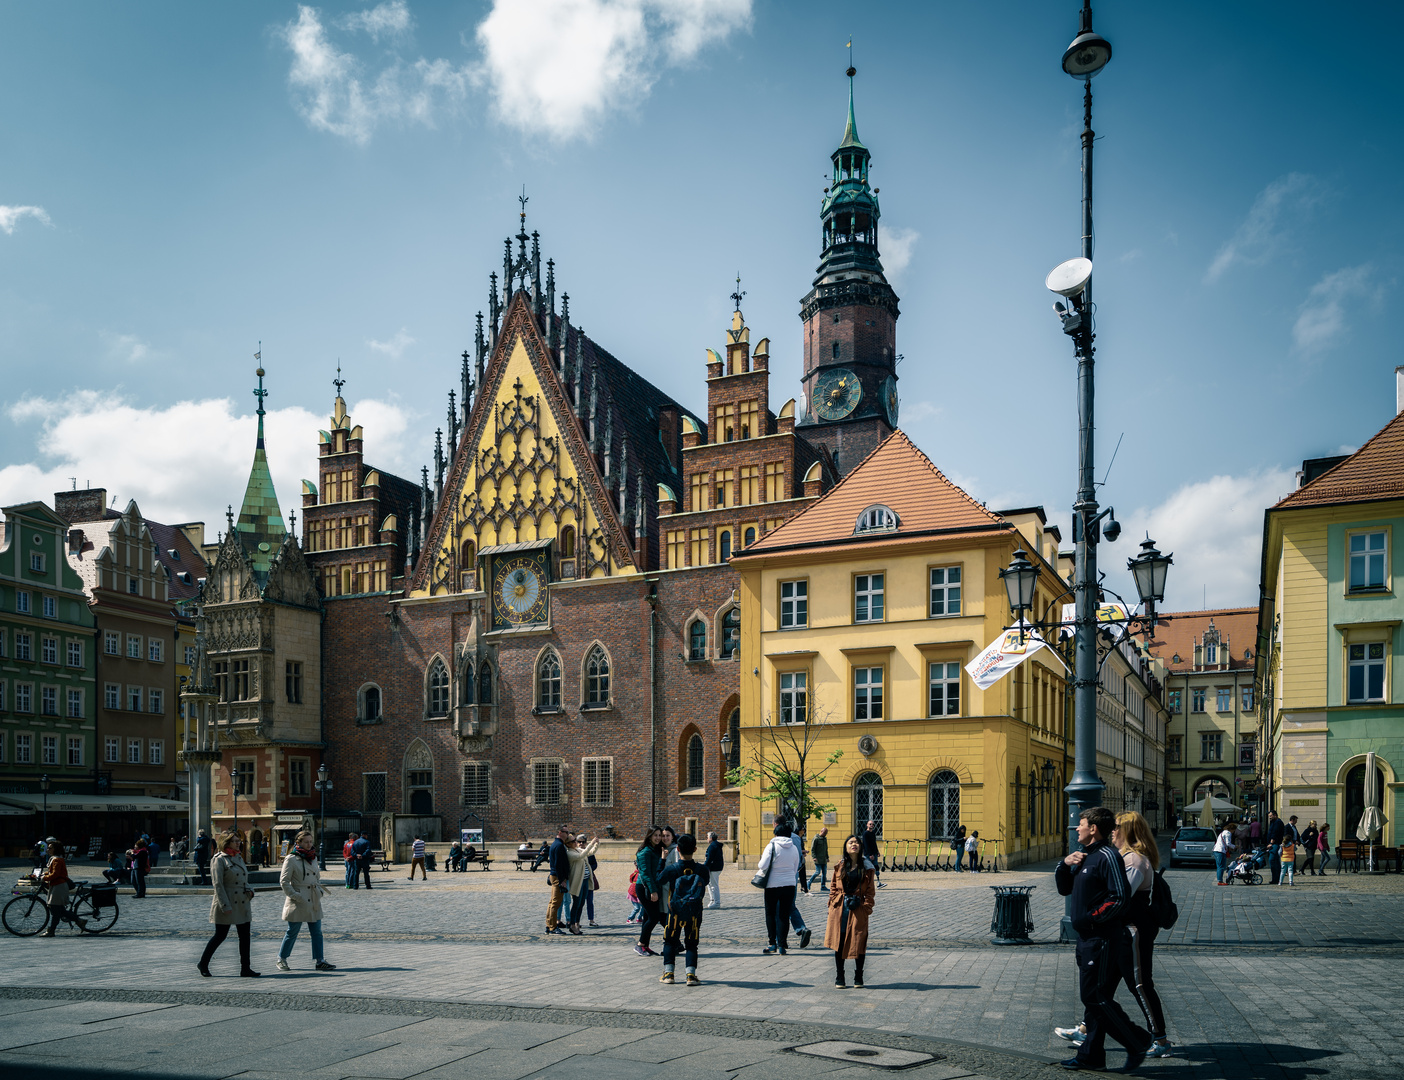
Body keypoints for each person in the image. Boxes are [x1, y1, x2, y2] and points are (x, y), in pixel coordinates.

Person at [1053, 807, 1151, 1072]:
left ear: (1093, 828)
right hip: (1087, 938)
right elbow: (1065, 889)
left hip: (1101, 938)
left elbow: (1119, 897)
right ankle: (1091, 1057)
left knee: (1094, 996)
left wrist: (1092, 919)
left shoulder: (1108, 855)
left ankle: (1138, 1040)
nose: (1076, 828)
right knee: (1097, 998)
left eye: (1080, 824)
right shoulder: (1087, 857)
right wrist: (1065, 864)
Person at [1113, 812, 1172, 1058]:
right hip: (1121, 930)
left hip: (1135, 931)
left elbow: (1120, 896)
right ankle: (1087, 1028)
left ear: (1128, 831)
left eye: (1116, 827)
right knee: (1102, 984)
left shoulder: (1135, 861)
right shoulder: (1125, 857)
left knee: (1140, 984)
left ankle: (1160, 1039)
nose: (1112, 831)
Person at [198, 831, 259, 977]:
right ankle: (203, 963)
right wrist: (225, 905)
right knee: (220, 935)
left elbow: (244, 879)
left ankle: (245, 968)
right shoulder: (219, 859)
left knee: (245, 936)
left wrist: (250, 890)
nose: (238, 843)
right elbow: (218, 884)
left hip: (242, 902)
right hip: (227, 900)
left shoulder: (238, 857)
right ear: (226, 843)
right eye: (235, 841)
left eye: (239, 841)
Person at [276, 830, 335, 972]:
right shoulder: (291, 859)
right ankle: (281, 959)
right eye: (306, 842)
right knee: (292, 931)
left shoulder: (313, 857)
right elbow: (284, 882)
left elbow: (317, 878)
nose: (309, 844)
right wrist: (296, 896)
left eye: (311, 841)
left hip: (313, 898)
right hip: (298, 899)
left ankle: (320, 960)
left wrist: (319, 891)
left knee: (317, 932)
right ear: (298, 842)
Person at [657, 833, 710, 985]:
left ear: (678, 849)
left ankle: (668, 974)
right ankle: (690, 975)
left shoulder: (672, 869)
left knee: (669, 941)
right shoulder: (702, 869)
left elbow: (659, 879)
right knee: (692, 943)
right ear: (695, 849)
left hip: (675, 911)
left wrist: (662, 860)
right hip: (694, 912)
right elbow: (705, 882)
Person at [827, 834, 875, 988]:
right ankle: (839, 976)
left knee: (859, 941)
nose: (853, 844)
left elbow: (870, 891)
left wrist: (866, 907)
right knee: (839, 942)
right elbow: (833, 886)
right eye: (850, 842)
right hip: (841, 908)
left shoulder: (867, 868)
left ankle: (858, 976)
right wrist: (833, 902)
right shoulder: (840, 865)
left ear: (860, 847)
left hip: (858, 908)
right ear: (846, 847)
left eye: (856, 842)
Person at [757, 820, 801, 955]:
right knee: (784, 915)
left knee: (770, 914)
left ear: (776, 833)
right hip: (789, 884)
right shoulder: (793, 847)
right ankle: (782, 945)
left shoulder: (771, 846)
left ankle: (772, 943)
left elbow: (762, 865)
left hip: (772, 885)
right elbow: (795, 867)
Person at [40, 840, 83, 936]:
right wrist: (45, 874)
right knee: (60, 910)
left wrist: (44, 878)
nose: (48, 849)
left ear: (55, 849)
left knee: (56, 910)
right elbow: (53, 872)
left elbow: (55, 874)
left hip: (58, 886)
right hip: (56, 885)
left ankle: (51, 931)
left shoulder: (57, 860)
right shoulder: (55, 858)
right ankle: (79, 920)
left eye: (50, 848)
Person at [633, 826, 664, 956]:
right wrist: (653, 891)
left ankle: (645, 945)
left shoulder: (655, 850)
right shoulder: (645, 852)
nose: (658, 838)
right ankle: (640, 944)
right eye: (655, 835)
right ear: (649, 836)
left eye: (659, 835)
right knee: (653, 917)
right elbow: (646, 874)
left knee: (647, 917)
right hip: (645, 887)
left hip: (652, 886)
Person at [565, 833, 600, 934]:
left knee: (581, 904)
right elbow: (582, 855)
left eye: (574, 840)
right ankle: (572, 925)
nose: (576, 842)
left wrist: (596, 844)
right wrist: (591, 843)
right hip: (578, 882)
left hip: (585, 881)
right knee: (576, 903)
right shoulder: (570, 853)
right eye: (573, 841)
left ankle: (577, 923)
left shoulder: (577, 850)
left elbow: (590, 852)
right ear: (568, 844)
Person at [545, 824, 573, 935]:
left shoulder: (557, 844)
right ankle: (552, 927)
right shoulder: (559, 846)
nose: (568, 834)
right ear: (560, 833)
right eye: (566, 832)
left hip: (556, 876)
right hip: (557, 877)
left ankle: (549, 925)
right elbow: (558, 865)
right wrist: (562, 880)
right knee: (555, 903)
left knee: (552, 902)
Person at [704, 831, 725, 908]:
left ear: (711, 838)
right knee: (710, 884)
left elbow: (709, 858)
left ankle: (716, 902)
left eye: (707, 837)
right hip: (716, 867)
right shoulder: (715, 845)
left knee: (714, 885)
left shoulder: (713, 846)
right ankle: (712, 900)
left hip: (714, 868)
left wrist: (704, 867)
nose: (707, 838)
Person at [861, 820, 885, 887]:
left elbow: (874, 843)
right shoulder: (865, 834)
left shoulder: (873, 833)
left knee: (876, 866)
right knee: (869, 868)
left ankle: (878, 882)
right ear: (867, 825)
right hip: (869, 854)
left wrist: (877, 851)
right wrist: (870, 854)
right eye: (870, 824)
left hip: (874, 853)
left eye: (872, 824)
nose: (871, 825)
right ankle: (867, 883)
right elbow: (866, 845)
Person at [1266, 810, 1285, 885]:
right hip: (1274, 844)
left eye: (1270, 816)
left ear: (1275, 815)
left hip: (1275, 844)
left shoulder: (1278, 822)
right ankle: (1277, 878)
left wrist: (1271, 843)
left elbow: (1275, 833)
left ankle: (1276, 878)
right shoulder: (1274, 822)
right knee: (1275, 861)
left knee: (1272, 860)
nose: (1270, 817)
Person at [808, 827, 829, 892]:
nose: (825, 834)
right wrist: (814, 857)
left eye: (826, 833)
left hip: (824, 859)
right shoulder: (816, 839)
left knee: (824, 873)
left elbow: (826, 849)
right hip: (817, 859)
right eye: (825, 832)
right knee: (817, 872)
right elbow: (813, 849)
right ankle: (809, 881)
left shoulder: (825, 839)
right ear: (821, 831)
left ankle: (823, 886)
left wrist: (827, 857)